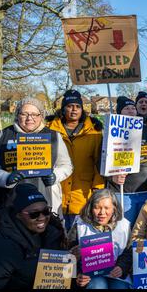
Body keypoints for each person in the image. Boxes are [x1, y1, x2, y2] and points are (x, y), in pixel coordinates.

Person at [0, 97, 73, 218]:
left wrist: (56, 175)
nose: (29, 118)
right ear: (17, 115)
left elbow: (67, 166)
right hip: (11, 202)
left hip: (47, 198)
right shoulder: (2, 136)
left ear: (41, 116)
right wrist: (6, 178)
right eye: (24, 114)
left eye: (34, 114)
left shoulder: (54, 136)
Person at [46, 90, 105, 230]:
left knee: (80, 239)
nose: (74, 110)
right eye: (69, 106)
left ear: (82, 109)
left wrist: (98, 188)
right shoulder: (49, 129)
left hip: (83, 194)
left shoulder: (94, 132)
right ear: (63, 108)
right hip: (55, 191)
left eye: (77, 106)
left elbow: (99, 162)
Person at [0, 183, 66, 289]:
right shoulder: (4, 243)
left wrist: (72, 261)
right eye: (34, 214)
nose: (42, 218)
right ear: (18, 215)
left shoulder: (54, 232)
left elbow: (61, 278)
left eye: (46, 211)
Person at [109, 96, 147, 224]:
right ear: (119, 112)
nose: (131, 111)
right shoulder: (113, 132)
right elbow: (101, 161)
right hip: (124, 191)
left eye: (133, 108)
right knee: (125, 229)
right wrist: (112, 177)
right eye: (126, 108)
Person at [69, 188, 132, 289]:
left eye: (107, 208)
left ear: (114, 208)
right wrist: (78, 275)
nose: (102, 213)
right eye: (97, 207)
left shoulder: (124, 225)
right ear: (90, 208)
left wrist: (121, 267)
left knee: (120, 287)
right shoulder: (80, 225)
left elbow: (128, 252)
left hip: (115, 275)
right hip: (90, 277)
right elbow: (68, 256)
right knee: (99, 286)